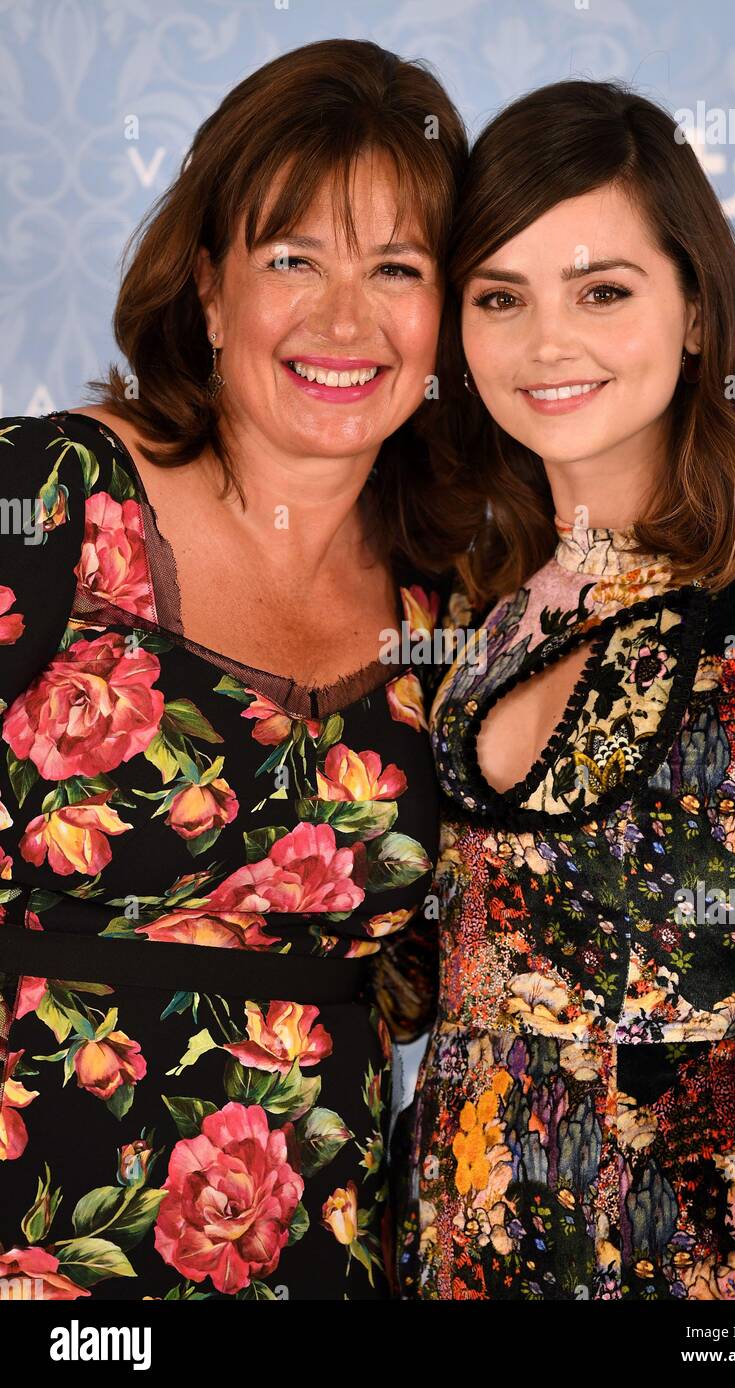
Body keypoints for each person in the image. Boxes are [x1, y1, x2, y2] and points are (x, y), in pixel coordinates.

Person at [0, 38, 467, 1300]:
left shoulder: (454, 600)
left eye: (396, 269)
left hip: (322, 1254)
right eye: (292, 259)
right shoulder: (51, 498)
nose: (343, 319)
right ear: (208, 291)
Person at [394, 78, 735, 1300]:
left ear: (695, 309)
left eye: (602, 289)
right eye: (499, 297)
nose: (546, 342)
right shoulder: (478, 611)